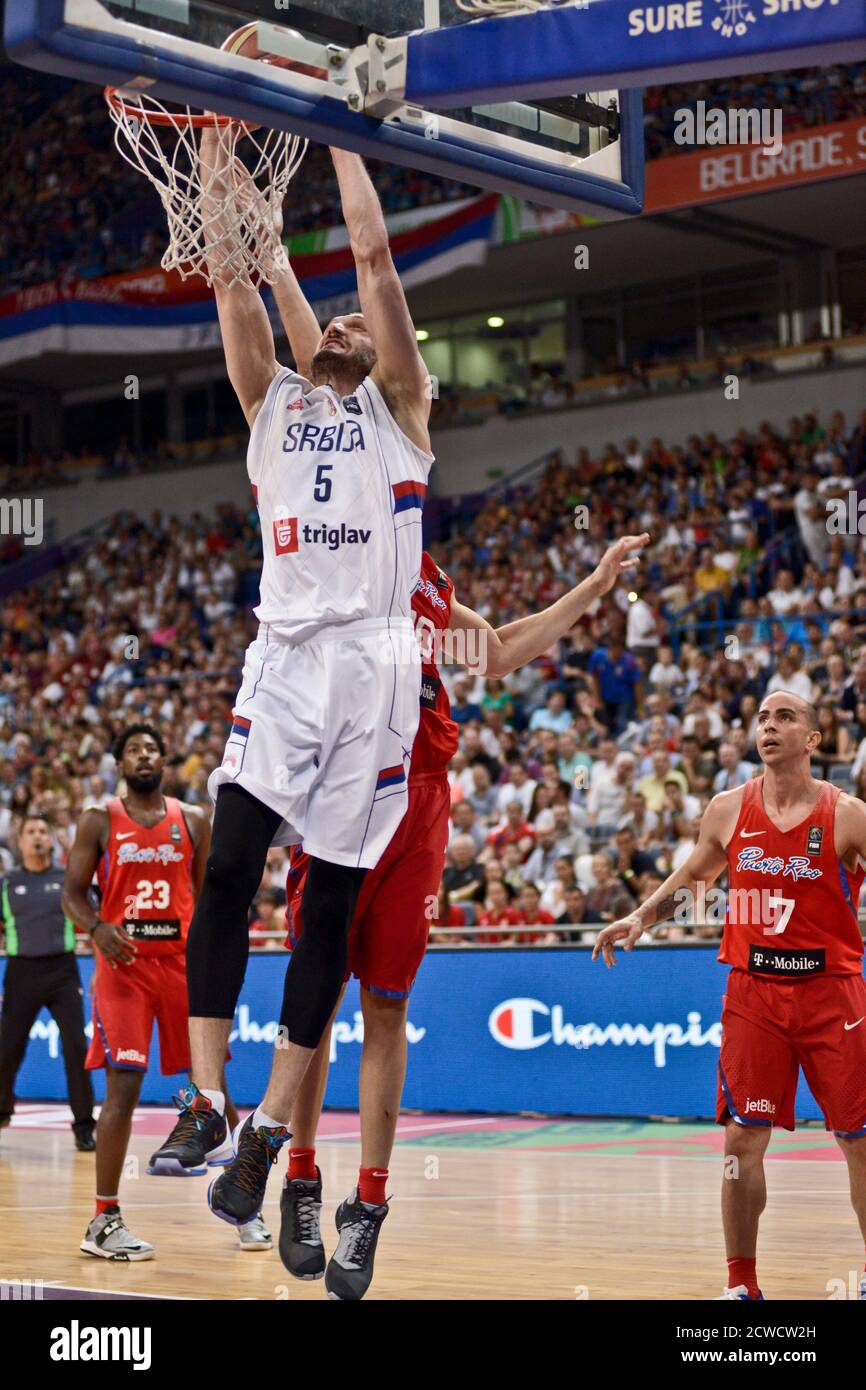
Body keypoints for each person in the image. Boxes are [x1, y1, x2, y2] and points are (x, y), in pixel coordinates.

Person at [148, 140, 433, 1221]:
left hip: (373, 670)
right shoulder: (272, 401)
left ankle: (274, 1124)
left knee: (328, 908)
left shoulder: (400, 414)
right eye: (337, 328)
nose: (354, 329)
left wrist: (345, 137)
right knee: (226, 868)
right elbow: (234, 277)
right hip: (283, 656)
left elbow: (372, 261)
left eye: (359, 329)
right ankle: (210, 1095)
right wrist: (220, 151)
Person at [278, 535, 649, 1297]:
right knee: (313, 998)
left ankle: (370, 1201)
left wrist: (595, 584)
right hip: (341, 785)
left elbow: (503, 649)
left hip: (419, 798)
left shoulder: (422, 575)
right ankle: (302, 1179)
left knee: (387, 1002)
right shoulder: (319, 550)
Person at [593, 691, 866, 1302]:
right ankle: (741, 1286)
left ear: (814, 739)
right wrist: (641, 918)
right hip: (754, 992)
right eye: (763, 717)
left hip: (833, 994)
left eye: (786, 717)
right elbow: (694, 878)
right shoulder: (727, 809)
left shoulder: (847, 815)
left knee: (858, 1137)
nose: (769, 725)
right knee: (742, 1141)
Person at [62, 725, 267, 1259]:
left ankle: (245, 1206)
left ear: (164, 759)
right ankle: (103, 1221)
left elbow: (213, 901)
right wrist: (97, 927)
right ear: (119, 763)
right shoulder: (99, 819)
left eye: (152, 748)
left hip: (181, 967)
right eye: (133, 749)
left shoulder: (192, 819)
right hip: (123, 967)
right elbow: (72, 895)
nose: (144, 755)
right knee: (123, 1084)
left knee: (213, 1087)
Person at [0, 814, 94, 1150]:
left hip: (62, 972)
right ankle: (2, 1109)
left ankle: (84, 1125)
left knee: (76, 1049)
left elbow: (93, 919)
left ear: (51, 840)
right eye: (31, 831)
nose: (38, 836)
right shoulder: (7, 883)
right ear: (20, 840)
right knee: (7, 1051)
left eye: (43, 831)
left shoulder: (68, 879)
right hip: (20, 973)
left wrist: (100, 969)